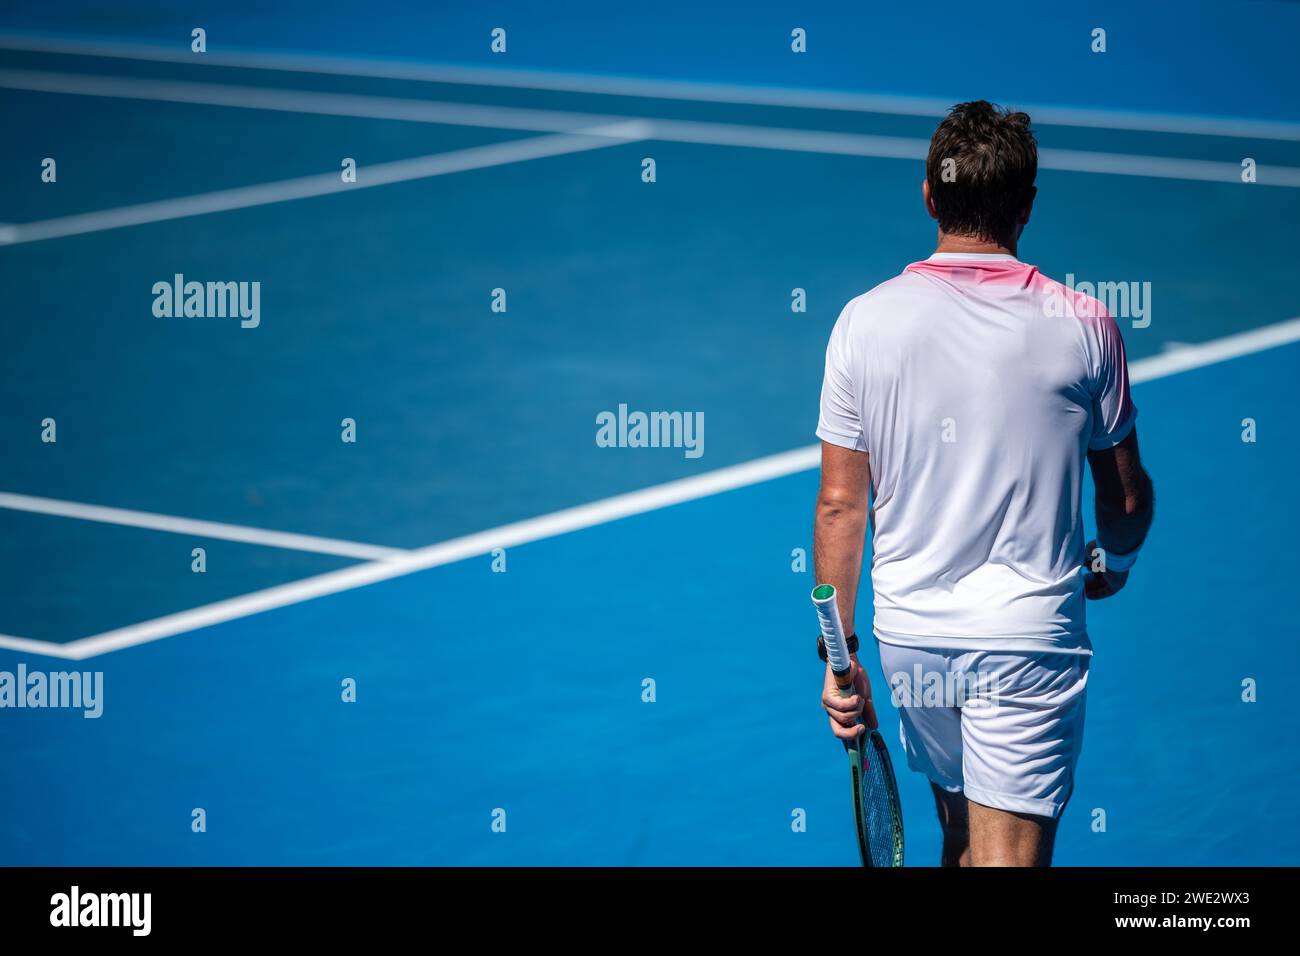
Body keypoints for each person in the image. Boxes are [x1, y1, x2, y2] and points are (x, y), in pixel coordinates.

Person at [813, 100, 1154, 866]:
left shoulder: (861, 322)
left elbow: (841, 504)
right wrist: (1114, 563)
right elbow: (1125, 500)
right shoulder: (1085, 325)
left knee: (963, 844)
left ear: (929, 196)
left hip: (913, 642)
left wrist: (840, 660)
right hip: (1026, 641)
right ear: (1027, 206)